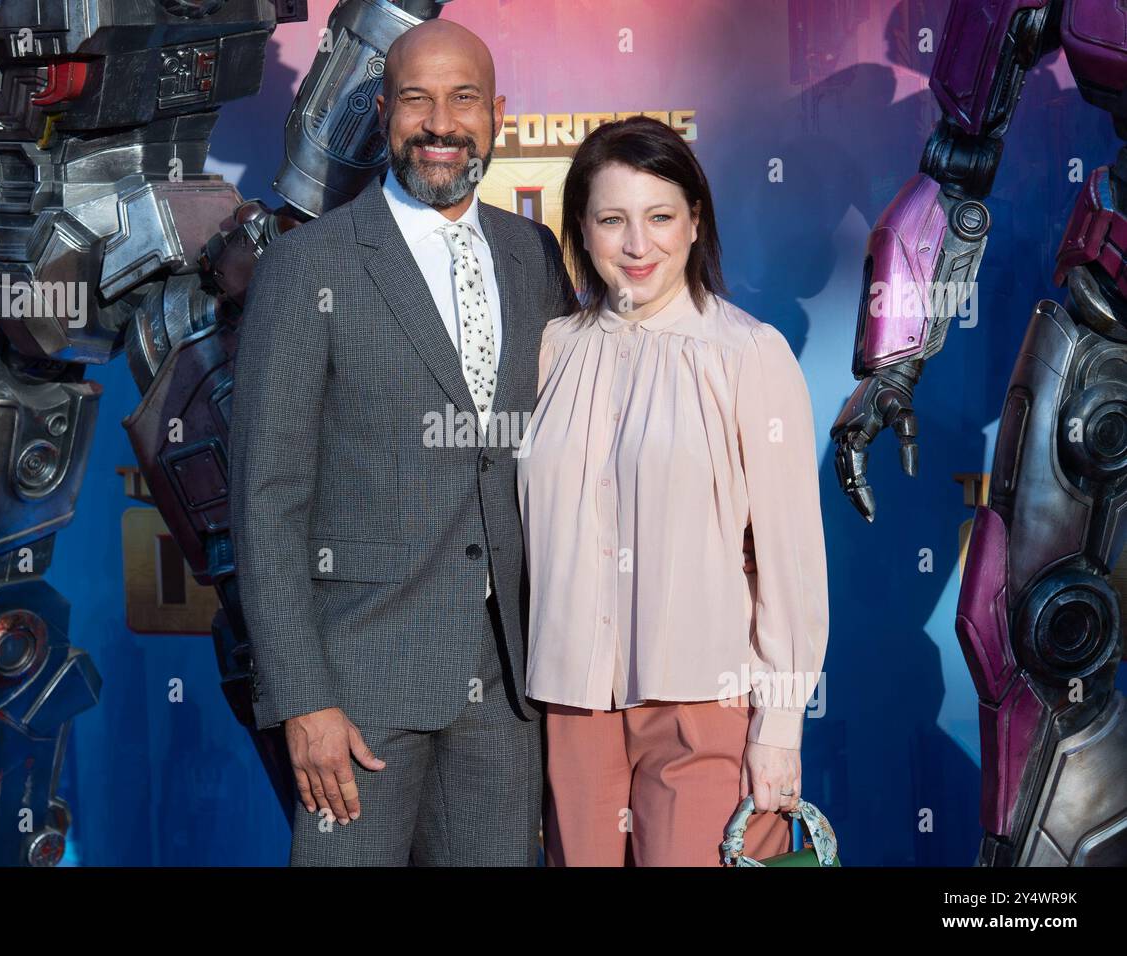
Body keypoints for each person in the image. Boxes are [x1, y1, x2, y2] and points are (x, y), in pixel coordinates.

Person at [228, 18, 578, 865]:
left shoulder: (533, 253)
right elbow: (265, 499)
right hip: (355, 695)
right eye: (415, 99)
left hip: (507, 691)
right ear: (382, 111)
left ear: (496, 115)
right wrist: (301, 699)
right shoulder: (309, 266)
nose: (439, 123)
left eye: (463, 99)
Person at [516, 116, 829, 866]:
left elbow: (790, 562)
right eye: (612, 219)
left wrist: (779, 728)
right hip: (573, 701)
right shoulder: (550, 351)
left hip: (703, 701)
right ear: (581, 230)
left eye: (660, 217)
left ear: (695, 222)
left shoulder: (748, 355)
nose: (637, 244)